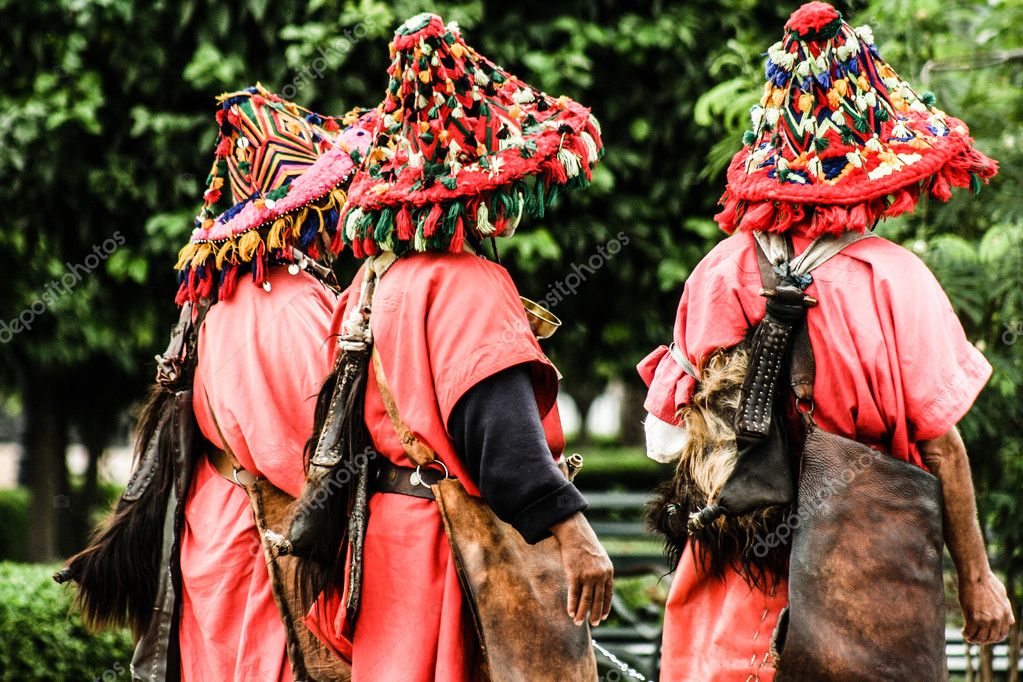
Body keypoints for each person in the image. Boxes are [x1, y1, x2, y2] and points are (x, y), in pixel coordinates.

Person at [637, 3, 1014, 680]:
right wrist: (976, 577)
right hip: (860, 574)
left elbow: (667, 436)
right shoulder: (894, 278)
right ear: (878, 163)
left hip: (734, 575)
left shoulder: (717, 270)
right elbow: (940, 445)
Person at [297, 14, 614, 681]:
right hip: (451, 546)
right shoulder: (471, 282)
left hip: (381, 542)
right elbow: (501, 440)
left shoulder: (365, 285)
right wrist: (574, 532)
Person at [59, 84, 376, 681]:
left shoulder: (233, 296)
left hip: (222, 536)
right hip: (261, 548)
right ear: (311, 207)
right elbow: (309, 459)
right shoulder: (284, 302)